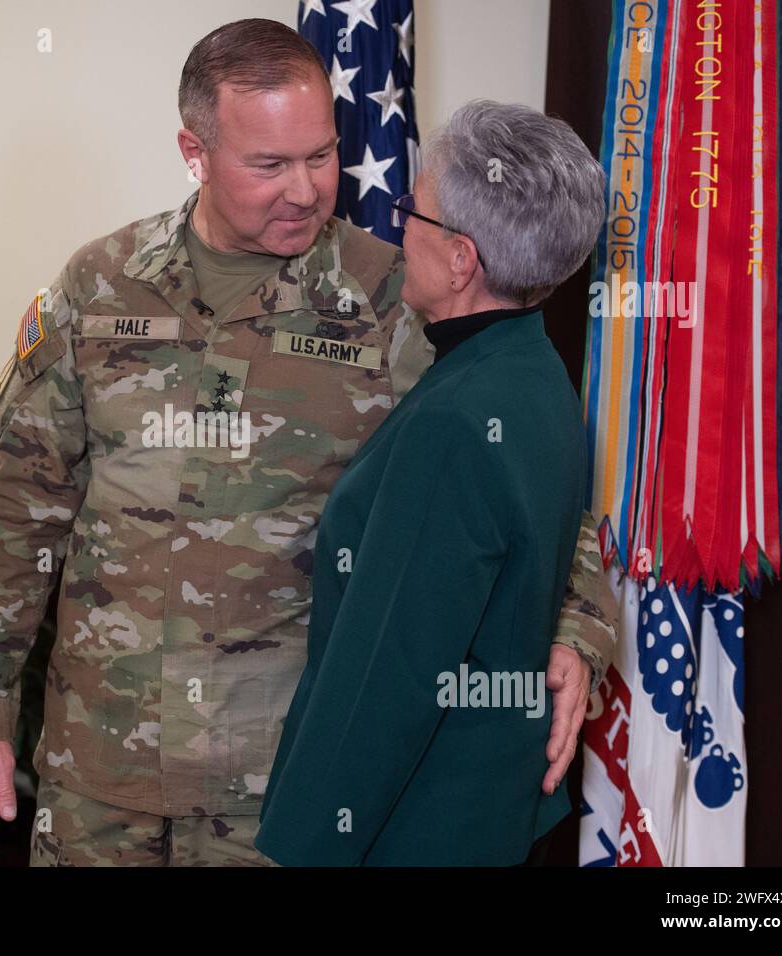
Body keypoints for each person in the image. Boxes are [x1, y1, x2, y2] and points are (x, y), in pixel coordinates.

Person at [0, 19, 616, 867]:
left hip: (286, 796)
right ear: (197, 150)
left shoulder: (397, 298)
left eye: (322, 155)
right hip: (98, 779)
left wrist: (576, 630)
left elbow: (521, 482)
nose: (306, 189)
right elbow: (11, 510)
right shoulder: (97, 287)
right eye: (270, 165)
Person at [253, 100, 607, 866]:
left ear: (461, 260)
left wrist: (308, 845)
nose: (397, 226)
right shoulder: (532, 374)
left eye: (412, 209)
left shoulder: (457, 422)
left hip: (410, 829)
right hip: (481, 813)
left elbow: (390, 674)